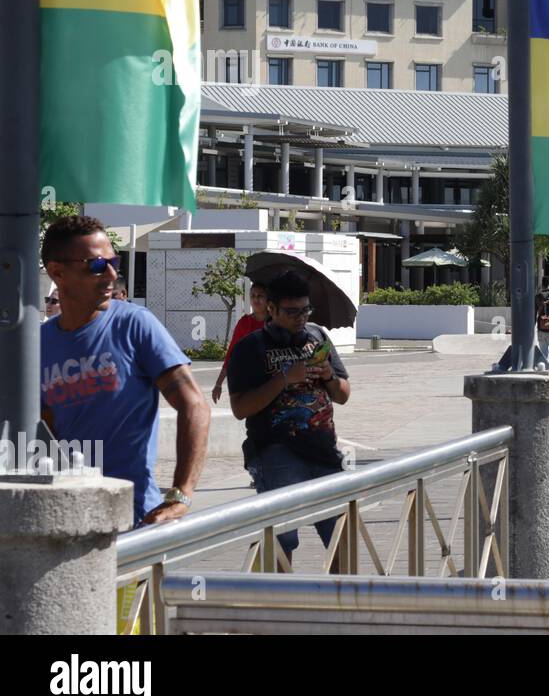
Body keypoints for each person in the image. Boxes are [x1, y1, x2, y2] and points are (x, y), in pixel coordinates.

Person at [40, 216, 209, 526]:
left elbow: (195, 404)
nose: (111, 274)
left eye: (113, 261)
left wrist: (180, 495)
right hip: (65, 517)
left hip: (132, 517)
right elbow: (42, 432)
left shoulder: (135, 324)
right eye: (95, 265)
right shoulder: (39, 343)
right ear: (57, 272)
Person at [226, 271, 351, 562]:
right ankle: (277, 604)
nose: (301, 318)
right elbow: (240, 408)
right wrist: (283, 379)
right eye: (292, 312)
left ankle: (344, 605)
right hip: (275, 454)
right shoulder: (250, 348)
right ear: (271, 309)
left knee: (341, 537)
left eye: (305, 310)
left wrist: (330, 376)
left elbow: (343, 394)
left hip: (323, 451)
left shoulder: (318, 337)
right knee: (281, 542)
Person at [212, 282, 269, 403]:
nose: (256, 299)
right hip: (251, 382)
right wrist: (218, 383)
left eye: (260, 296)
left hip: (273, 379)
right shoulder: (244, 323)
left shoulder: (276, 321)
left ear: (268, 299)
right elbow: (232, 353)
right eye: (253, 296)